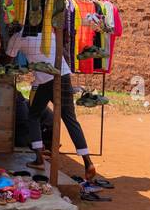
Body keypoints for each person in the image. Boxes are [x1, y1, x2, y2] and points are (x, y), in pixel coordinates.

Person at [8, 29, 108, 191]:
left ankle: (39, 158)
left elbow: (8, 61)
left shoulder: (17, 35)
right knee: (70, 120)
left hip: (46, 81)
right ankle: (88, 162)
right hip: (63, 75)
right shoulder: (49, 30)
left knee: (33, 115)